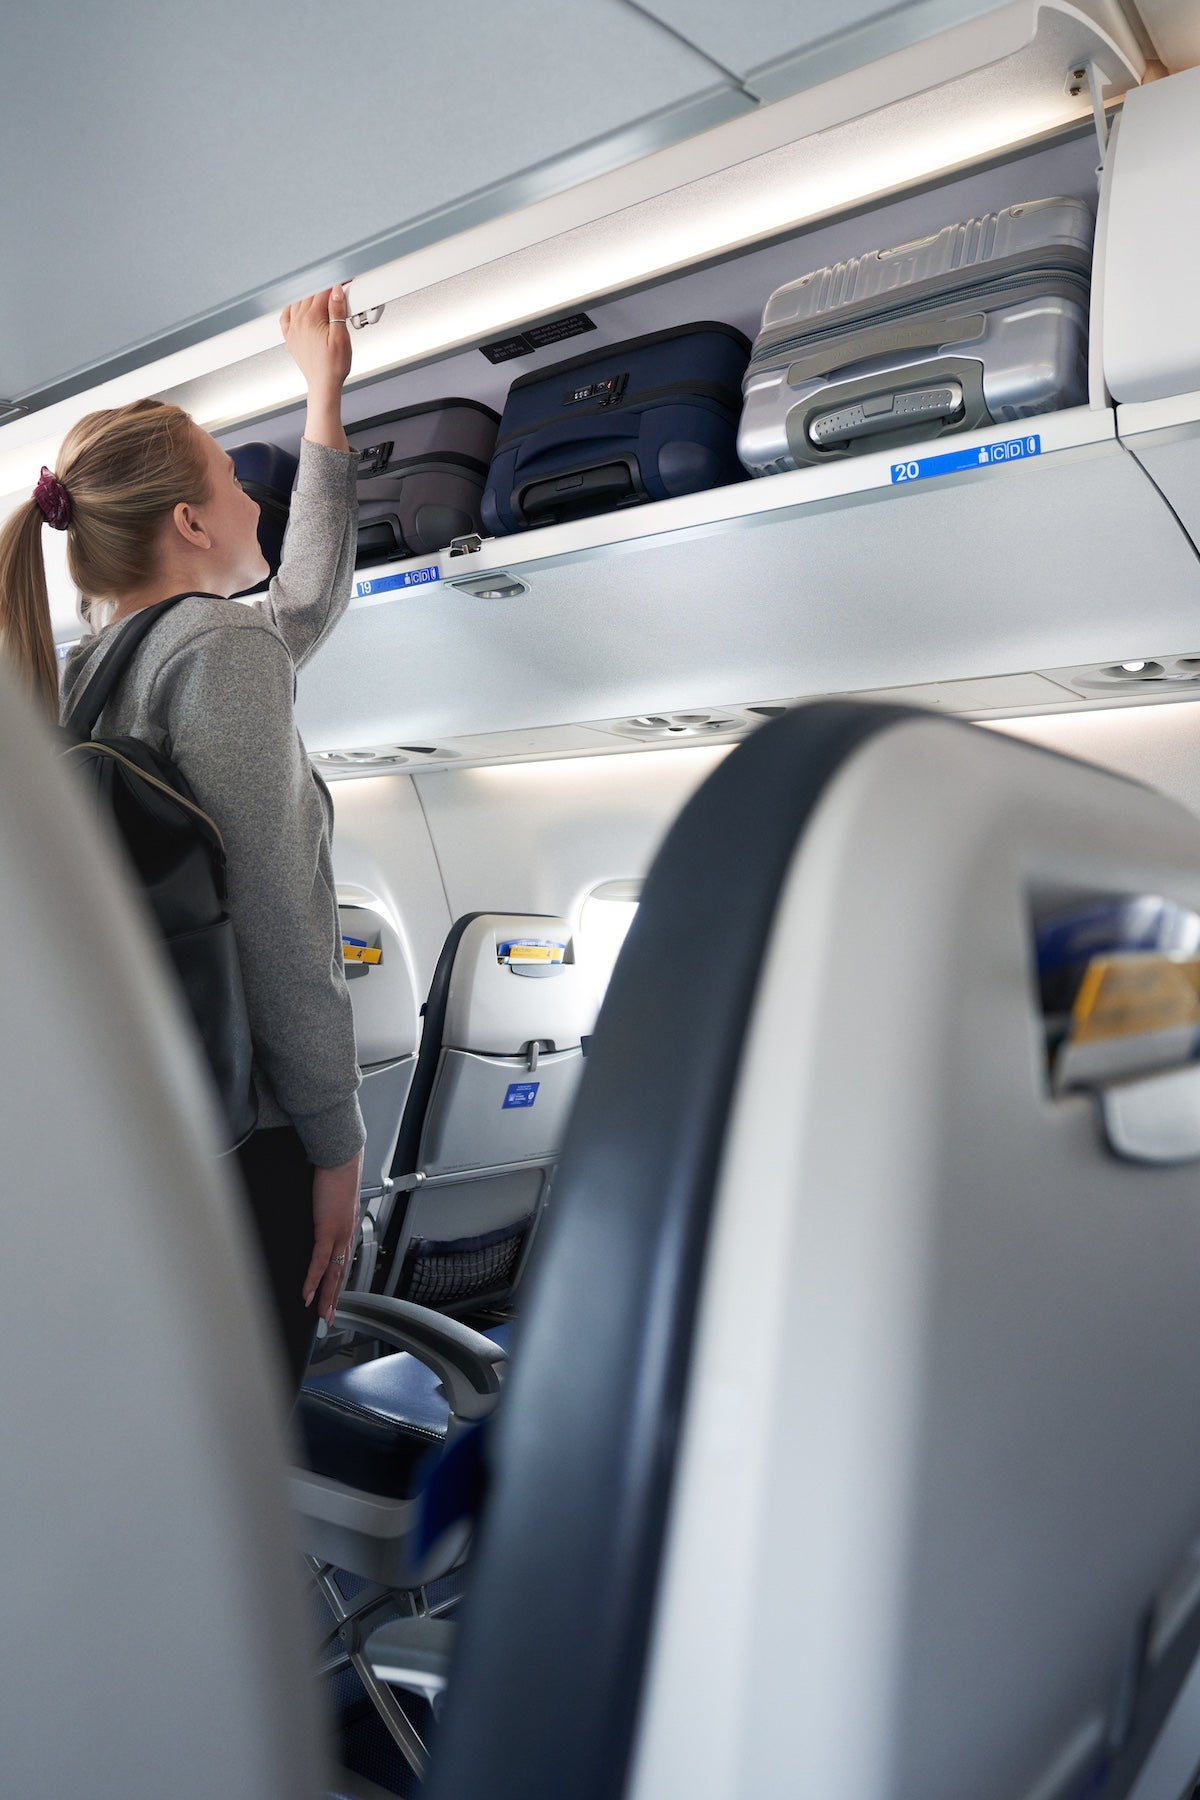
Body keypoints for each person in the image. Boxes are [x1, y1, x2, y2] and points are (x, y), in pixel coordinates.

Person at [0, 286, 365, 1390]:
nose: (254, 497)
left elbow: (299, 601)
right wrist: (337, 1139)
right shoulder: (214, 653)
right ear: (192, 524)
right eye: (229, 475)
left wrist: (325, 398)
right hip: (246, 1138)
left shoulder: (98, 659)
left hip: (151, 1120)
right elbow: (282, 912)